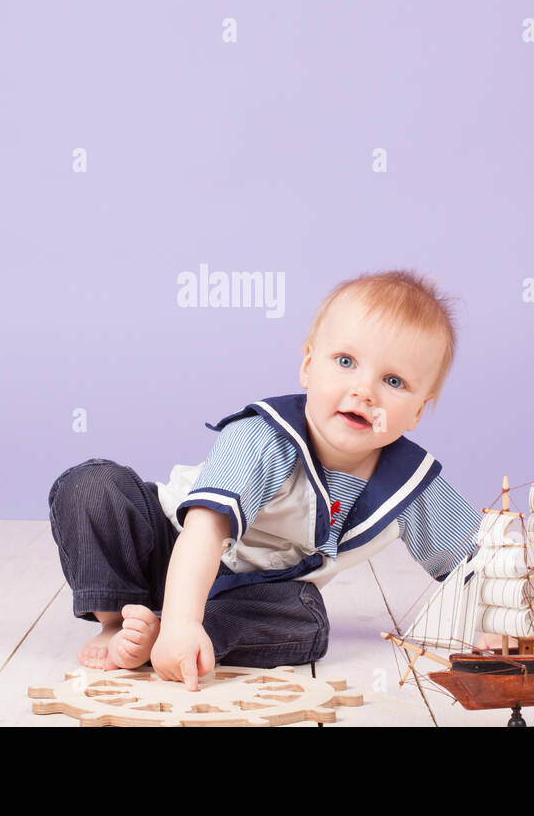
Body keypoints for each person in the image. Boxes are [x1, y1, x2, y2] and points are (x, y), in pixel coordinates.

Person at [47, 269, 484, 691]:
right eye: (346, 362)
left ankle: (178, 635)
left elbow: (478, 560)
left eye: (394, 381)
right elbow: (205, 529)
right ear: (309, 366)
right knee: (92, 487)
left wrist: (491, 623)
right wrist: (184, 616)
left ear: (419, 411)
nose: (364, 390)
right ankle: (120, 621)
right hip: (168, 547)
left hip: (249, 592)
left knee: (304, 617)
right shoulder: (263, 437)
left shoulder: (411, 484)